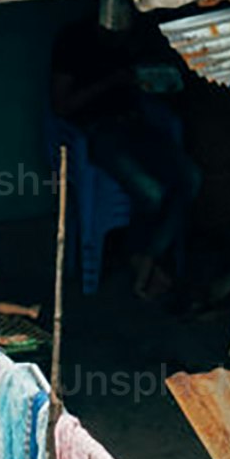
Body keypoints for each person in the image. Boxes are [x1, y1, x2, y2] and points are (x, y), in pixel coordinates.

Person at [46, 23, 199, 308]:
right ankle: (145, 262)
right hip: (96, 133)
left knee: (190, 179)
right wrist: (112, 81)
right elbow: (62, 106)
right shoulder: (73, 42)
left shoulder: (134, 40)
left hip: (136, 127)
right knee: (152, 194)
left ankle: (146, 259)